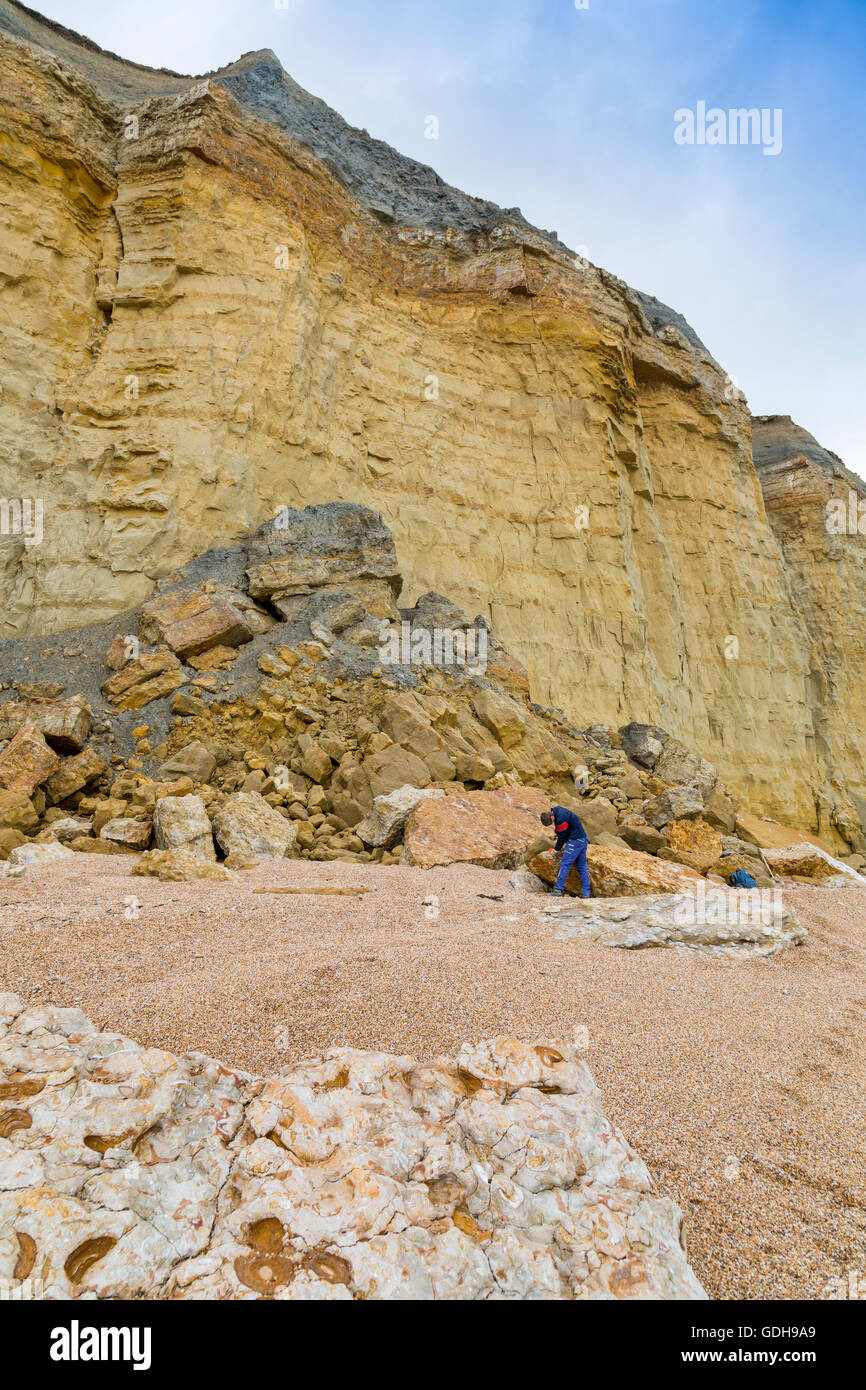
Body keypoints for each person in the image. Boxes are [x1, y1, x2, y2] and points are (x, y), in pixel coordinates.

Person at [539, 806, 590, 897]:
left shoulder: (560, 820)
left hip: (575, 841)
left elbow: (562, 838)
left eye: (551, 822)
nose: (552, 823)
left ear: (551, 817)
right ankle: (586, 893)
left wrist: (556, 849)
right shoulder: (557, 810)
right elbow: (562, 831)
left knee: (565, 864)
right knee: (582, 867)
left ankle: (558, 889)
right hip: (583, 840)